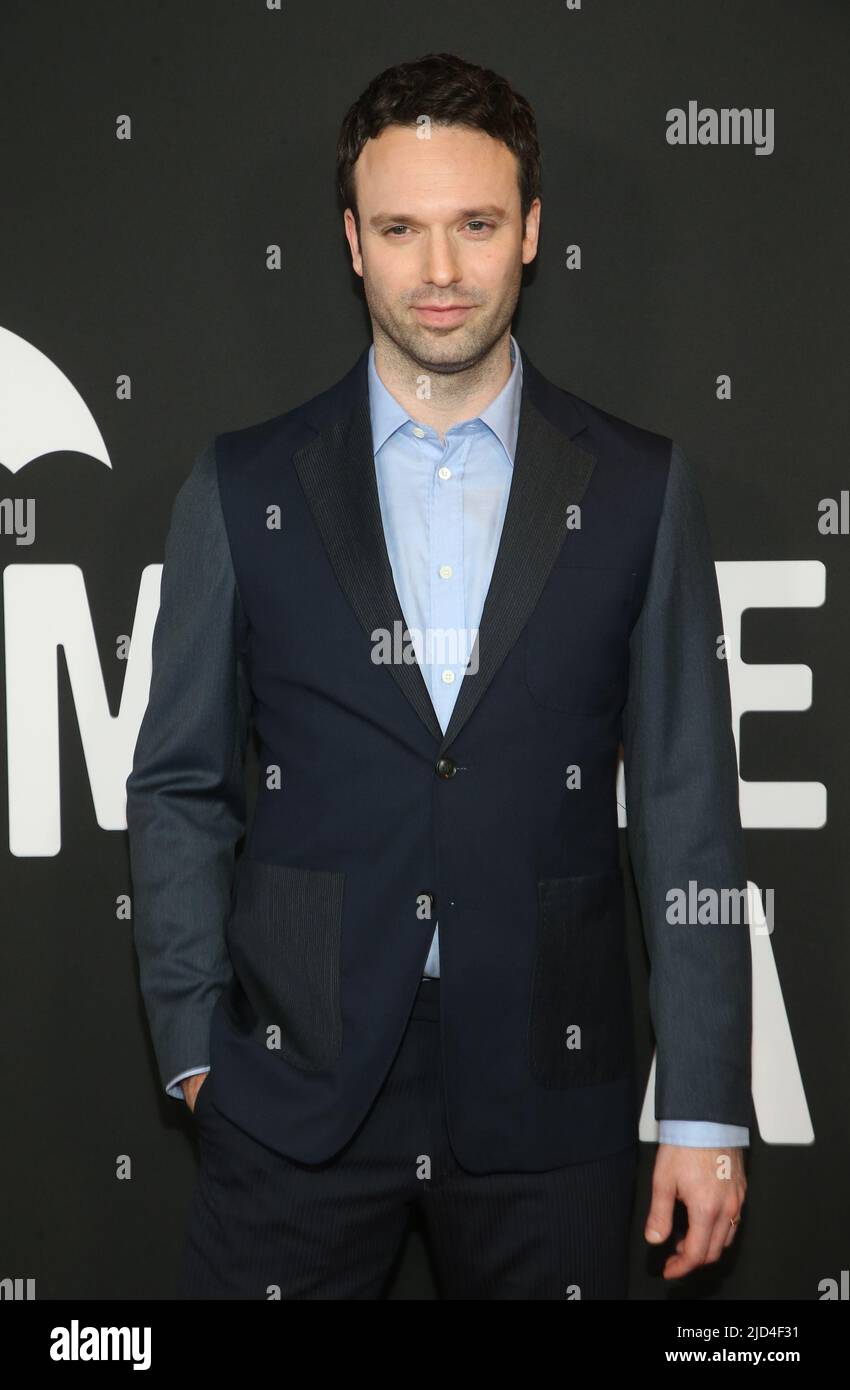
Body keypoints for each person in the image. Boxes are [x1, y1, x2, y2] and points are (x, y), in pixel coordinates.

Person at [126, 51, 751, 1300]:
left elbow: (686, 806)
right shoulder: (242, 485)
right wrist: (196, 1041)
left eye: (474, 224)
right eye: (402, 228)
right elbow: (182, 780)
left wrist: (702, 1108)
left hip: (549, 1085)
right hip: (294, 1083)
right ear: (352, 242)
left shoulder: (636, 488)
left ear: (530, 231)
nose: (442, 271)